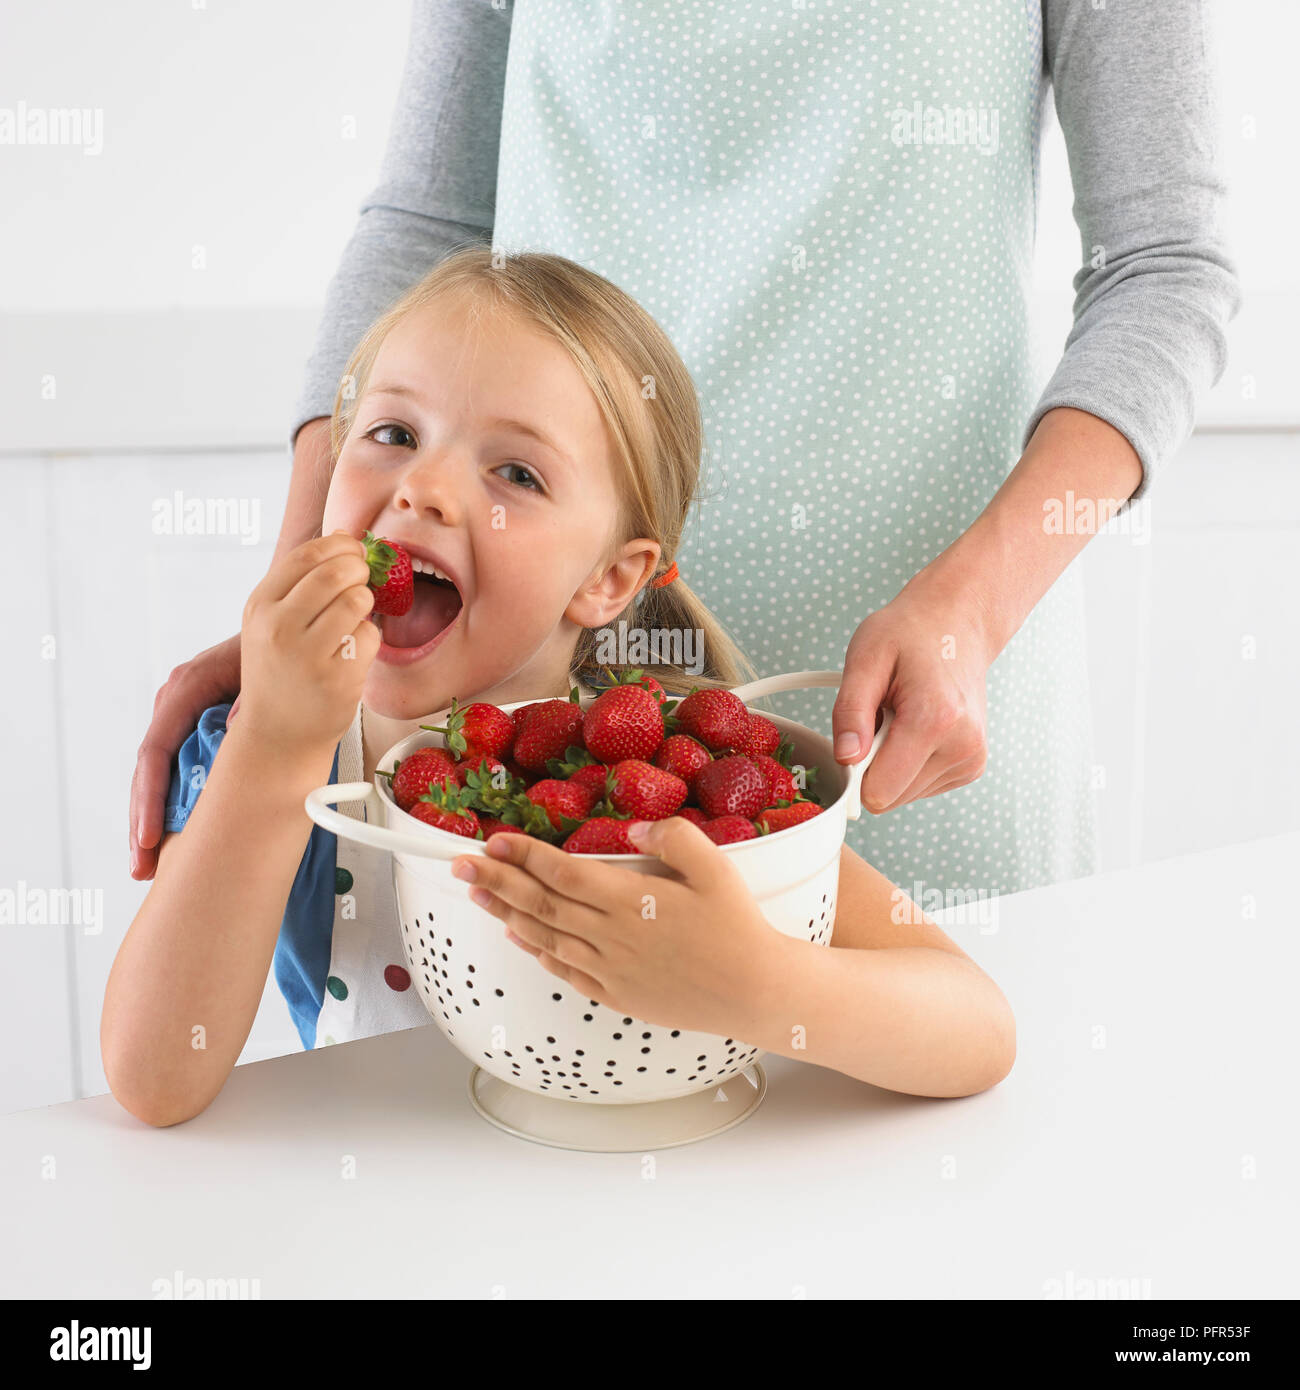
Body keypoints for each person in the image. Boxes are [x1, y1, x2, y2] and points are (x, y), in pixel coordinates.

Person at [129, 0, 1240, 902]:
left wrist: (974, 610)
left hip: (924, 695)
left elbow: (1166, 266)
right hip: (541, 686)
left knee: (918, 1094)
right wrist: (307, 586)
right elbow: (430, 219)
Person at [102, 249, 1016, 1125]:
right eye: (392, 433)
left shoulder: (665, 775)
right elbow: (153, 1079)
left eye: (516, 473)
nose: (421, 487)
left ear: (611, 579)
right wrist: (274, 743)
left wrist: (763, 986)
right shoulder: (250, 752)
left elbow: (976, 1026)